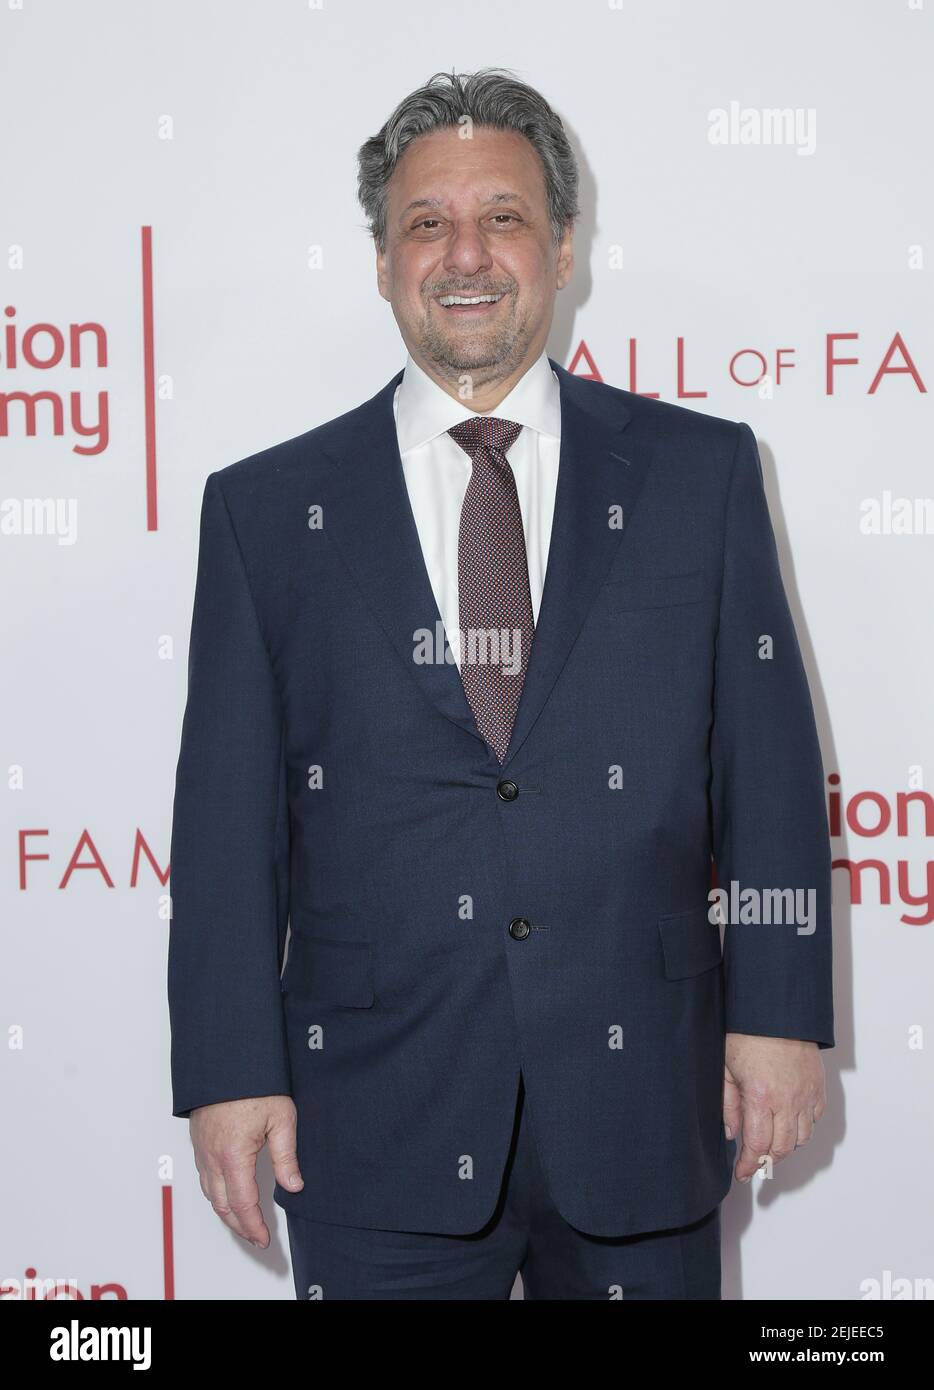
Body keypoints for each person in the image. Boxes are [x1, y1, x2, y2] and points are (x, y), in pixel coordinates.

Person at [167, 68, 834, 1300]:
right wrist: (226, 1068)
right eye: (426, 223)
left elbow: (771, 774)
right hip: (370, 1119)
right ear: (381, 259)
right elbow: (222, 833)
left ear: (565, 245)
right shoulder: (266, 513)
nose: (464, 253)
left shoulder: (703, 476)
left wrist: (781, 1013)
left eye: (504, 217)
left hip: (643, 1103)